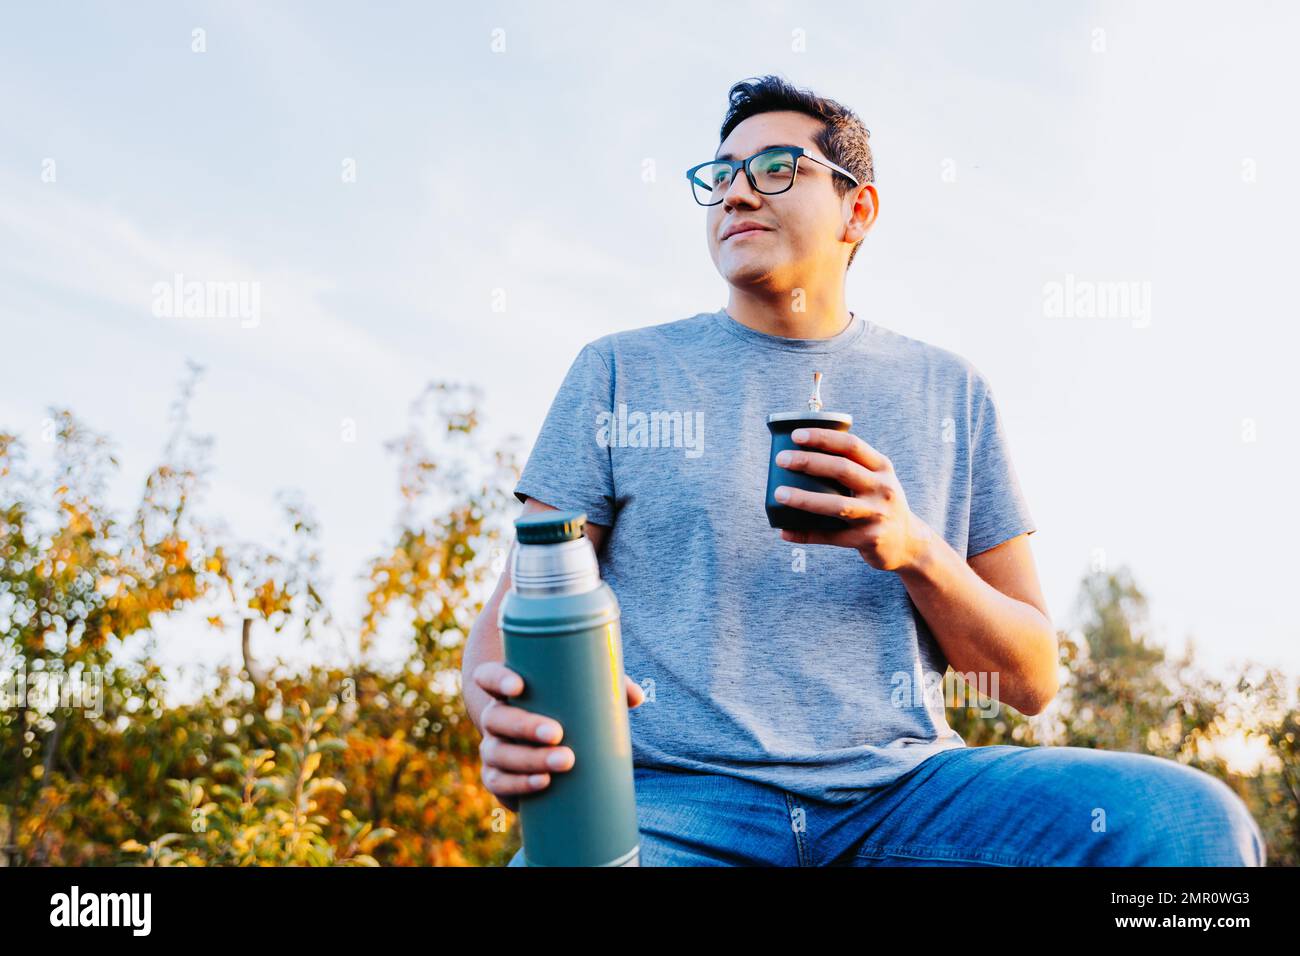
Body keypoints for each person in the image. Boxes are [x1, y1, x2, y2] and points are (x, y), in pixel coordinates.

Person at [460, 74, 1266, 866]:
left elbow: (1030, 679)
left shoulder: (951, 390)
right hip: (675, 804)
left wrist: (912, 547)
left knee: (1187, 825)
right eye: (720, 177)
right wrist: (505, 718)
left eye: (776, 168)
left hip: (909, 796)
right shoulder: (620, 372)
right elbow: (507, 621)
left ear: (859, 208)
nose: (736, 194)